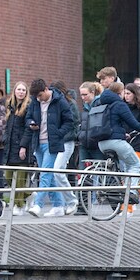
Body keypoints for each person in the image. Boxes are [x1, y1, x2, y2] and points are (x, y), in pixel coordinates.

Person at [94, 81, 140, 209]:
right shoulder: (119, 105)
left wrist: (123, 133)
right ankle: (130, 193)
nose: (125, 95)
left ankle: (129, 200)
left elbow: (111, 125)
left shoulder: (100, 103)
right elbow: (135, 125)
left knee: (123, 171)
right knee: (135, 165)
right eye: (124, 92)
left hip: (101, 143)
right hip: (116, 142)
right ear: (119, 93)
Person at [22, 78, 77, 218]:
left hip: (52, 144)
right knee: (49, 176)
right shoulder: (35, 101)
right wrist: (31, 123)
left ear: (46, 89)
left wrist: (58, 134)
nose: (39, 99)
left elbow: (70, 121)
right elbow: (28, 117)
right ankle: (58, 205)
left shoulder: (60, 101)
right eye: (36, 97)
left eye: (40, 95)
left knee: (45, 174)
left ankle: (38, 205)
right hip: (38, 142)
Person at [3, 81, 34, 216]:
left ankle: (18, 205)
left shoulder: (28, 107)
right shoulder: (10, 106)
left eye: (23, 90)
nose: (21, 92)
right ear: (14, 91)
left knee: (20, 179)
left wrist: (23, 146)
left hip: (22, 146)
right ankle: (29, 194)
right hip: (10, 146)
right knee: (9, 177)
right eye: (19, 89)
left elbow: (28, 129)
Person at [51, 80, 81, 215]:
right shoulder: (55, 105)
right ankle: (60, 204)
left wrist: (61, 134)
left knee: (58, 171)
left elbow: (74, 124)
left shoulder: (70, 104)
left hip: (67, 141)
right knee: (53, 172)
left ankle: (71, 201)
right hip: (57, 141)